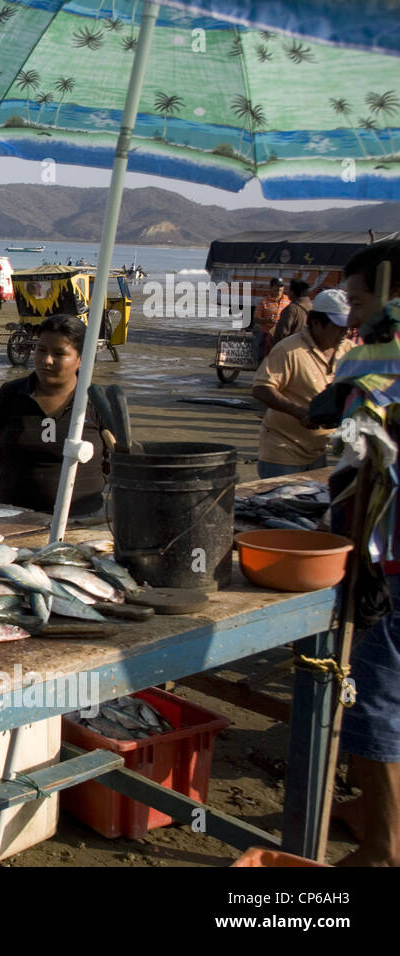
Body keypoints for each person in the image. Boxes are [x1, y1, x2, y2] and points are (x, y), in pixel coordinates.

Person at [329, 238, 400, 866]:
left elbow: (365, 471)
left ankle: (382, 848)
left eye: (359, 300)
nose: (351, 316)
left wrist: (355, 559)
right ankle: (372, 811)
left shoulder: (382, 360)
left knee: (375, 696)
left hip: (391, 562)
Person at [0, 314, 109, 516]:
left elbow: (117, 459)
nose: (46, 360)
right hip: (10, 516)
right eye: (41, 350)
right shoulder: (10, 395)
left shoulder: (97, 401)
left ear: (81, 360)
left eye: (59, 353)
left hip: (82, 520)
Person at [252, 291, 351, 479]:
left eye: (347, 327)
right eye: (338, 327)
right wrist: (299, 412)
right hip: (283, 451)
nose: (344, 333)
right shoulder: (289, 350)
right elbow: (261, 389)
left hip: (319, 450)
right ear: (315, 322)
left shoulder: (347, 348)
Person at [253, 278, 289, 362]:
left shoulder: (288, 300)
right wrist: (267, 320)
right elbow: (256, 318)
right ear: (271, 287)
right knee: (262, 356)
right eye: (277, 286)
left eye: (281, 286)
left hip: (281, 334)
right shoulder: (263, 302)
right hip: (266, 333)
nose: (279, 288)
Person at [270, 278, 313, 347]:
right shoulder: (311, 306)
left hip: (290, 349)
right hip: (306, 349)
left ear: (292, 292)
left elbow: (281, 333)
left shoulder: (291, 309)